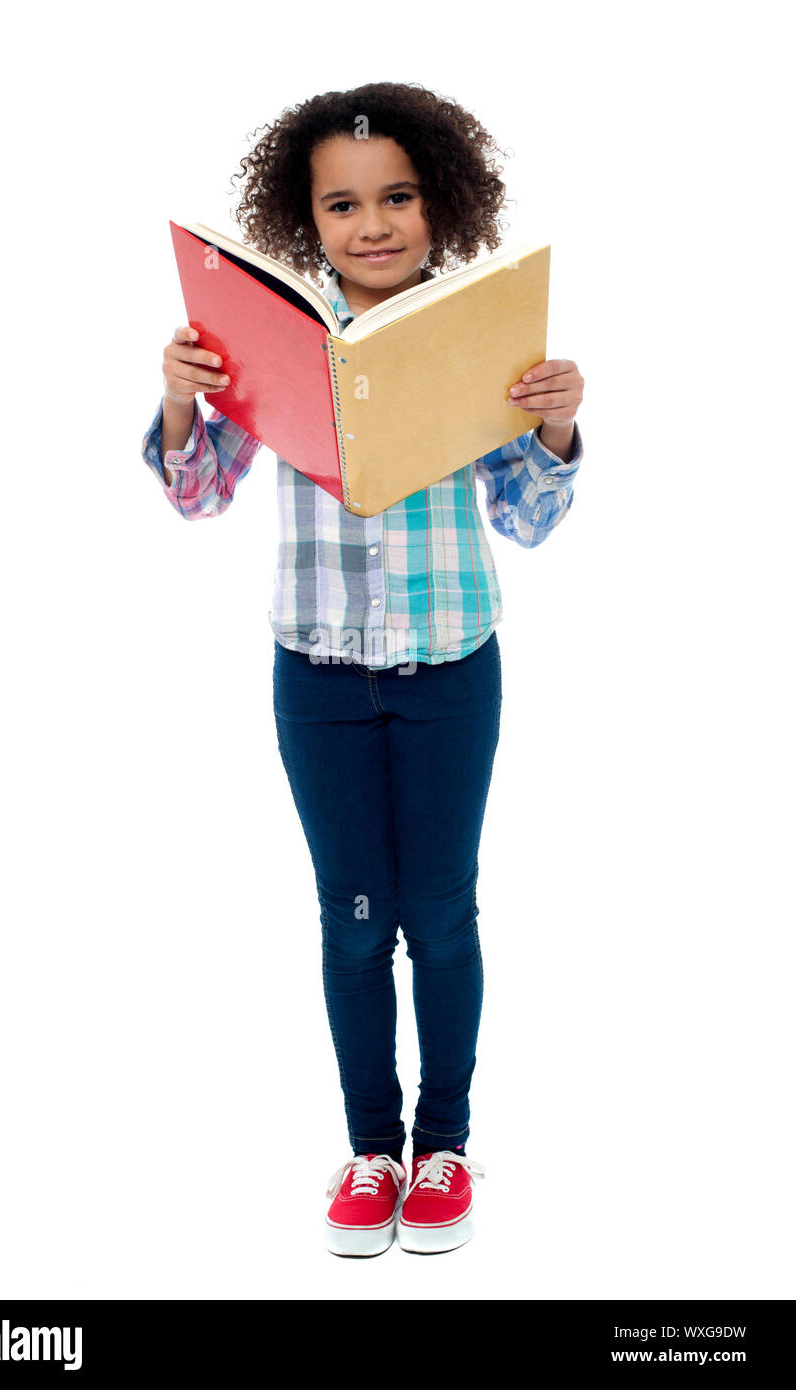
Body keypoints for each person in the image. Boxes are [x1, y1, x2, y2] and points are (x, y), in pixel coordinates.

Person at [141, 81, 585, 1257]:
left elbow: (529, 521)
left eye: (396, 196)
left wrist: (550, 426)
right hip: (319, 678)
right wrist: (184, 405)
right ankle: (370, 1151)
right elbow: (197, 496)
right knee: (352, 922)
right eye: (342, 205)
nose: (372, 224)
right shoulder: (271, 338)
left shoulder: (474, 336)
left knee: (438, 913)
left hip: (450, 672)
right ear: (308, 220)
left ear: (440, 204)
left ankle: (444, 1143)